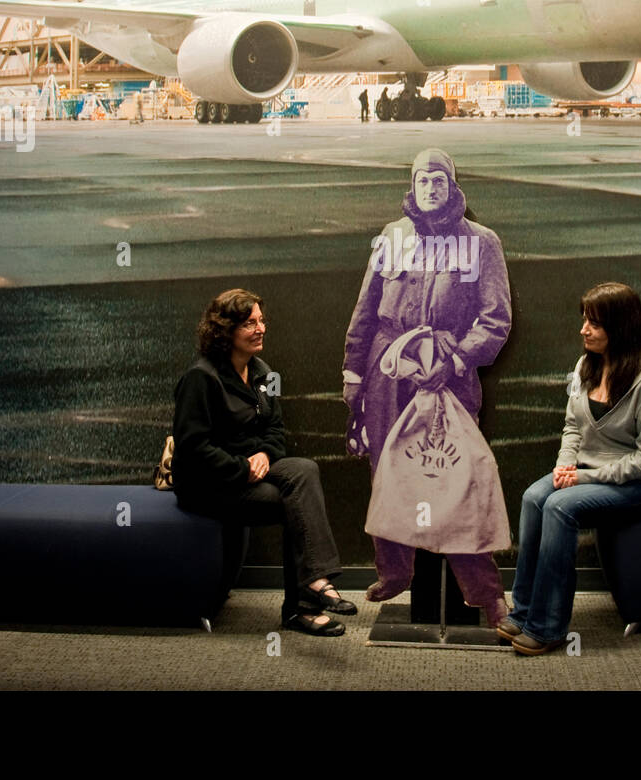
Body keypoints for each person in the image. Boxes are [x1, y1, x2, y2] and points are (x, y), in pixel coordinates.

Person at [343, 148, 513, 627]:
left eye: (439, 180)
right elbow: (365, 309)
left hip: (450, 375)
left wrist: (457, 360)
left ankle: (486, 594)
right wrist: (353, 375)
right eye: (423, 180)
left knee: (455, 482)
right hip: (388, 367)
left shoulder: (482, 242)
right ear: (412, 185)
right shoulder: (391, 238)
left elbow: (495, 319)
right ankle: (394, 571)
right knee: (388, 470)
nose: (431, 188)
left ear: (452, 185)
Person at [499, 282, 641, 655]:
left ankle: (548, 627)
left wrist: (583, 477)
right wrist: (565, 466)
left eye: (594, 323)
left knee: (560, 507)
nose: (584, 330)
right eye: (584, 320)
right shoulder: (584, 367)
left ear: (620, 327)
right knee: (534, 497)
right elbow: (573, 426)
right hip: (585, 473)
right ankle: (525, 610)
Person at [172, 288, 355, 636]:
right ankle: (303, 605)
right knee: (293, 501)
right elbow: (193, 448)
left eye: (261, 320)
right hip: (210, 486)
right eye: (249, 323)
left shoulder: (263, 372)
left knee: (305, 470)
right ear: (225, 331)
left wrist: (264, 455)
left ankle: (313, 581)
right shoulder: (201, 378)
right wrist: (243, 467)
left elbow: (275, 429)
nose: (261, 329)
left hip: (252, 472)